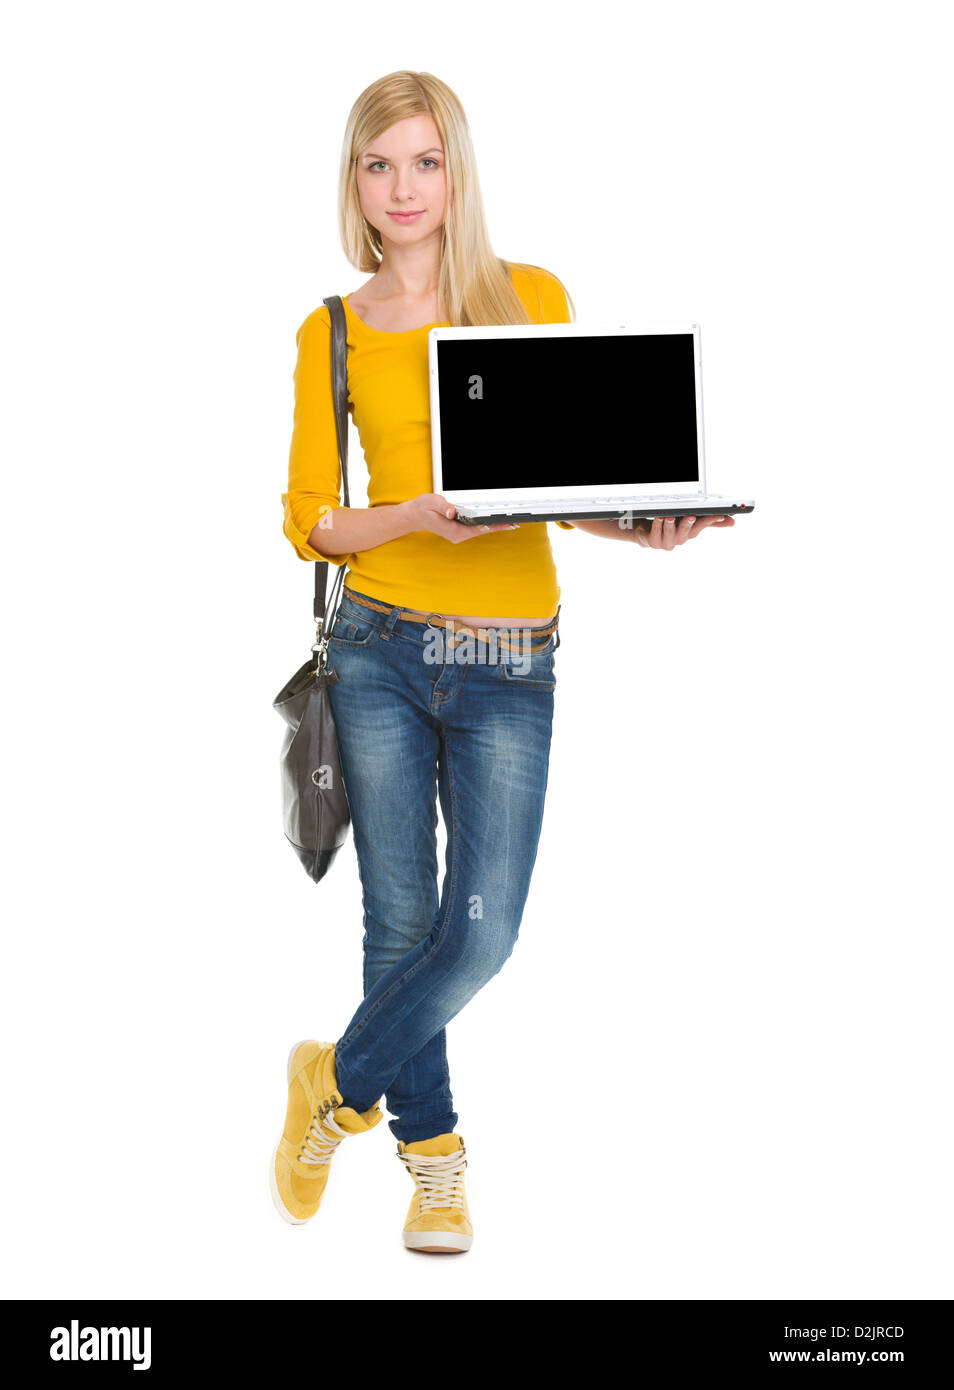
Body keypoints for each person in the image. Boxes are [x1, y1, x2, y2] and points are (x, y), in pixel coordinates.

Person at [271, 70, 735, 1253]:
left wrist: (644, 525)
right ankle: (436, 1159)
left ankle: (333, 1084)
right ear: (355, 183)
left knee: (481, 934)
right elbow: (313, 518)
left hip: (510, 662)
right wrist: (416, 516)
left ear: (456, 171)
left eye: (424, 161)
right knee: (400, 918)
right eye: (380, 165)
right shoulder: (330, 330)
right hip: (377, 645)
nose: (403, 188)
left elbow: (562, 490)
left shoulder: (529, 298)